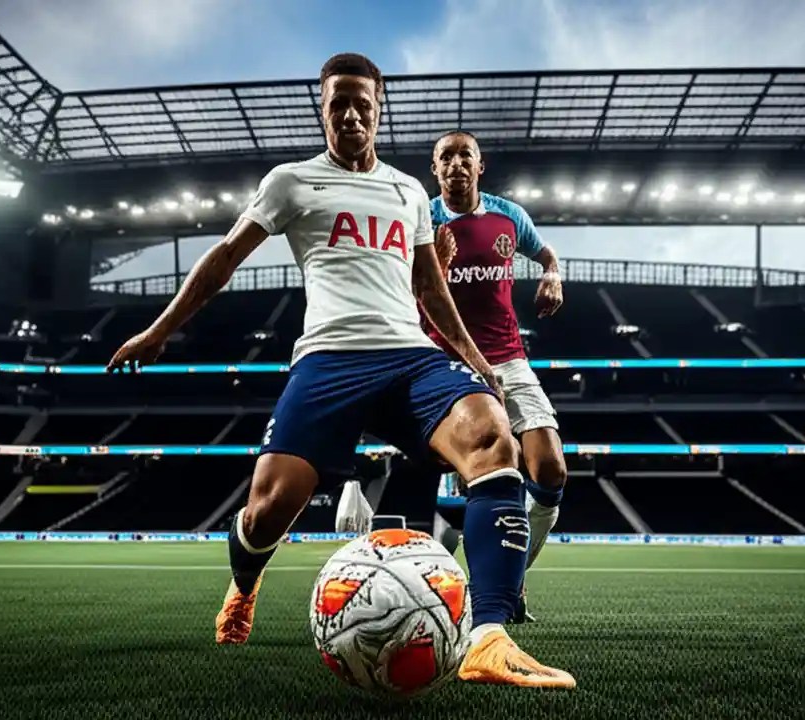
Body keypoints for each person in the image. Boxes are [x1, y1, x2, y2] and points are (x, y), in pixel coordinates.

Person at [108, 52, 574, 690]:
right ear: (321, 109)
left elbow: (430, 288)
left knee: (493, 437)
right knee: (269, 509)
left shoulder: (409, 190)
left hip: (410, 357)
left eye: (363, 103)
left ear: (380, 109)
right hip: (328, 361)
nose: (351, 114)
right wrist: (158, 333)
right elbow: (224, 257)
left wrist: (471, 358)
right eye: (338, 104)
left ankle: (488, 637)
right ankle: (244, 586)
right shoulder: (292, 181)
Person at [424, 131, 568, 624]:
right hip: (445, 364)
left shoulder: (509, 216)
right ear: (435, 169)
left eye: (466, 155)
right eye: (447, 156)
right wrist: (435, 269)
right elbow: (400, 291)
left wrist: (552, 273)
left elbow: (545, 253)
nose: (457, 163)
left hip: (508, 359)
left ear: (480, 167)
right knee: (466, 487)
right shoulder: (420, 220)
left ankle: (511, 580)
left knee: (550, 471)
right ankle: (457, 597)